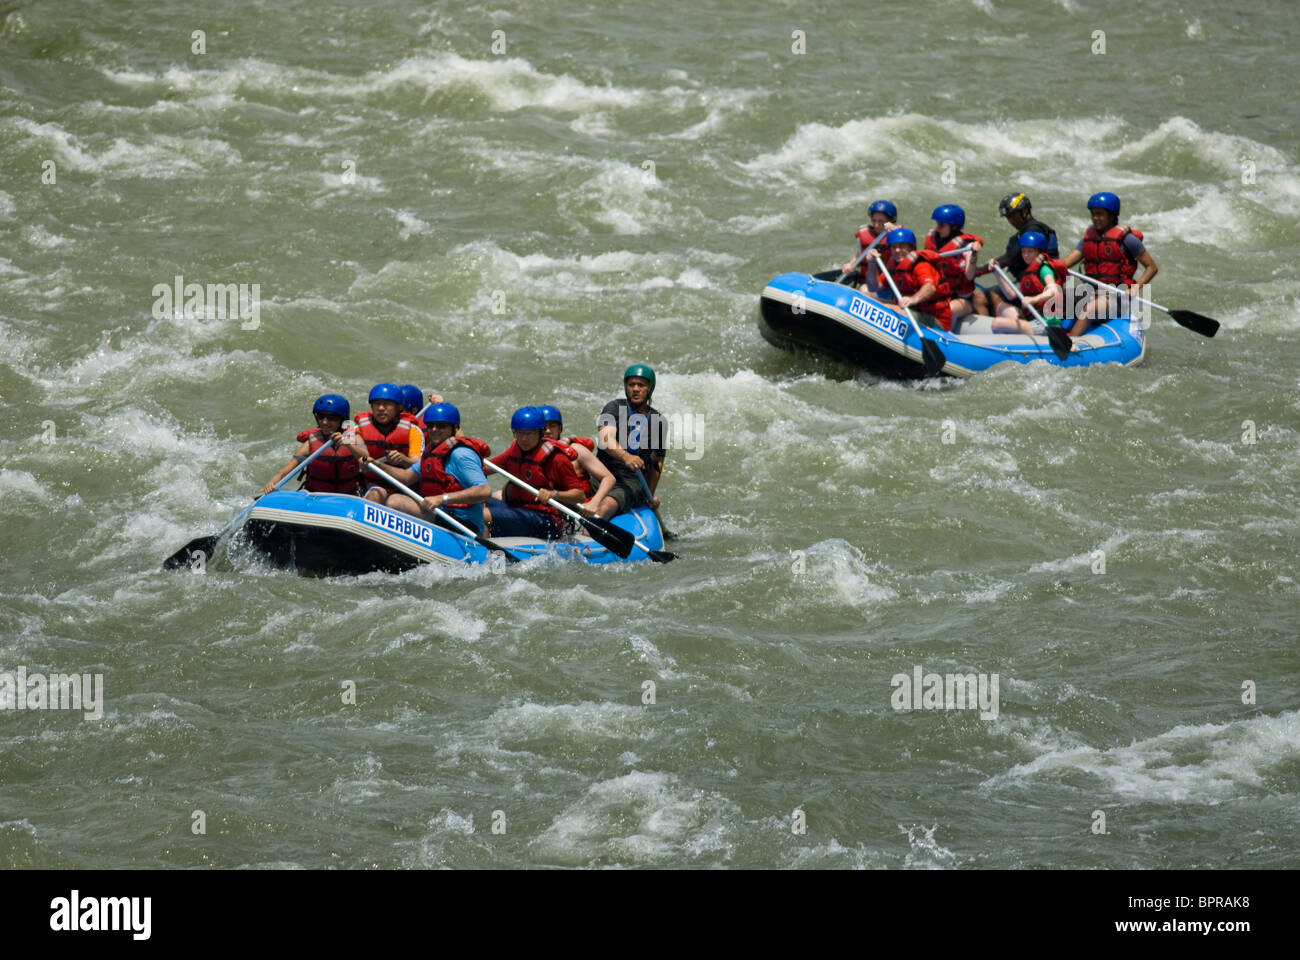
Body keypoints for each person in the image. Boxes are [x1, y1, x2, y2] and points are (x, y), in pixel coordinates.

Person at [366, 403, 492, 535]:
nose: (434, 429)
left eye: (441, 426)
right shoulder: (432, 451)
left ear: (455, 427)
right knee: (395, 500)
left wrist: (441, 499)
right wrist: (377, 465)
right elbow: (406, 477)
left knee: (395, 501)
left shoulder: (461, 455)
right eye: (430, 425)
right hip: (440, 515)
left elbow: (484, 490)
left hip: (463, 524)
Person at [1059, 192, 1159, 329]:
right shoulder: (1089, 238)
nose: (1095, 218)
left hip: (1116, 297)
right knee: (1056, 298)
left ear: (1112, 216)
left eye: (1100, 214)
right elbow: (1065, 263)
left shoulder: (1128, 240)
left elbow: (1152, 267)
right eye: (1093, 214)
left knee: (1089, 309)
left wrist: (1135, 288)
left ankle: (1071, 344)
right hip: (1091, 292)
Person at [485, 406, 586, 539]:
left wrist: (553, 494)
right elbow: (486, 468)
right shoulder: (515, 450)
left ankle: (482, 553)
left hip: (546, 521)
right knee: (475, 502)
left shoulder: (556, 459)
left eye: (529, 433)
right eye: (519, 433)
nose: (523, 439)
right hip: (519, 510)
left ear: (540, 432)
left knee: (482, 514)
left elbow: (579, 495)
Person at [595, 364, 667, 519]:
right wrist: (625, 456)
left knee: (603, 508)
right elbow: (606, 438)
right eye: (631, 384)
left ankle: (588, 539)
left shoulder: (657, 421)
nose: (635, 389)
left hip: (630, 481)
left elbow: (657, 462)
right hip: (601, 472)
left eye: (641, 385)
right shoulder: (614, 407)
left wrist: (650, 494)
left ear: (649, 388)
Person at [972, 193, 1059, 316]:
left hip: (1036, 284)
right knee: (983, 295)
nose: (1011, 220)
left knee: (982, 297)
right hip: (1024, 282)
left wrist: (978, 271)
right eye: (1008, 217)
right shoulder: (1021, 234)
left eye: (1013, 215)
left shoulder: (1034, 230)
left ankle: (1006, 326)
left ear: (1025, 211)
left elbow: (1010, 258)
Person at [264, 394, 360, 495]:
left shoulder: (354, 439)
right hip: (314, 496)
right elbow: (285, 472)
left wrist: (349, 445)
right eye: (321, 416)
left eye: (332, 418)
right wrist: (272, 483)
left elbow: (365, 458)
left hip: (348, 496)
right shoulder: (310, 444)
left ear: (343, 420)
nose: (324, 422)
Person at [867, 228, 954, 331]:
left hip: (935, 321)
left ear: (912, 247)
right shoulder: (896, 266)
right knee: (868, 297)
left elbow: (930, 288)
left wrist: (912, 299)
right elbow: (873, 287)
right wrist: (871, 264)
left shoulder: (921, 265)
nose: (897, 250)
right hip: (910, 310)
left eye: (902, 246)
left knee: (891, 309)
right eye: (894, 247)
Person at [537, 404, 616, 516]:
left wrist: (594, 503)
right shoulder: (530, 453)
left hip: (575, 509)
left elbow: (609, 478)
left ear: (560, 429)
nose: (548, 431)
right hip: (545, 508)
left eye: (552, 426)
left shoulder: (576, 450)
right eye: (544, 427)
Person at [346, 383, 418, 504]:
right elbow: (362, 450)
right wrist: (348, 444)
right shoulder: (360, 428)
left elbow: (417, 464)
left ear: (399, 407)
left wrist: (403, 459)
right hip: (370, 484)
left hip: (402, 487)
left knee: (393, 501)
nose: (380, 408)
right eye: (376, 404)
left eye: (387, 404)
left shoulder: (413, 431)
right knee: (377, 494)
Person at [990, 232, 1069, 335]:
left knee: (997, 323)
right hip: (1033, 318)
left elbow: (1053, 290)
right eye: (1024, 251)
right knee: (1002, 308)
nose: (1026, 255)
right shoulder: (1029, 271)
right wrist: (997, 273)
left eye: (1030, 251)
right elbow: (1011, 295)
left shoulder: (1045, 269)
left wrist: (1033, 299)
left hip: (1047, 323)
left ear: (1039, 252)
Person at [923, 204, 983, 330]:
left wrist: (973, 256)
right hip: (940, 293)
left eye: (942, 225)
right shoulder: (934, 239)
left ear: (954, 227)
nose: (938, 228)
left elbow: (969, 275)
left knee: (948, 309)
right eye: (937, 224)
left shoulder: (967, 246)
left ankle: (946, 337)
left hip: (961, 299)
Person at [841, 200, 900, 288]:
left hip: (889, 284)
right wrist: (850, 265)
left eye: (881, 221)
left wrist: (896, 231)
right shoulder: (865, 234)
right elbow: (859, 257)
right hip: (866, 281)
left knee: (864, 289)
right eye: (874, 220)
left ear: (890, 220)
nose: (876, 225)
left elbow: (907, 258)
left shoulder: (899, 235)